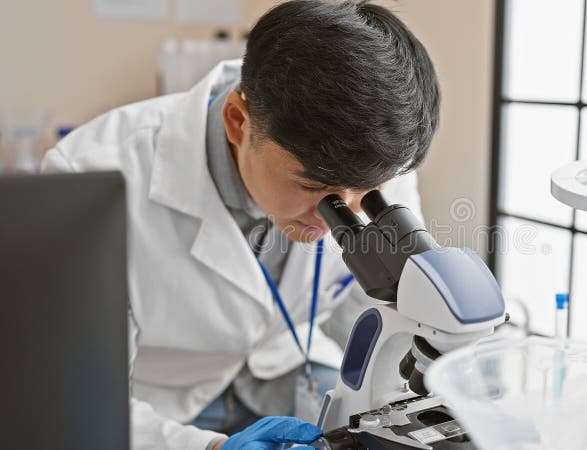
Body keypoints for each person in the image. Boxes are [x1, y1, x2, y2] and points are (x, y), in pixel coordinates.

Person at [41, 1, 440, 449]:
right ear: (237, 121)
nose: (338, 214)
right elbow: (72, 397)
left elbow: (373, 312)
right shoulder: (88, 181)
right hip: (160, 403)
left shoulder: (375, 159)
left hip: (292, 368)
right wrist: (209, 448)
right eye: (315, 186)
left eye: (361, 191)